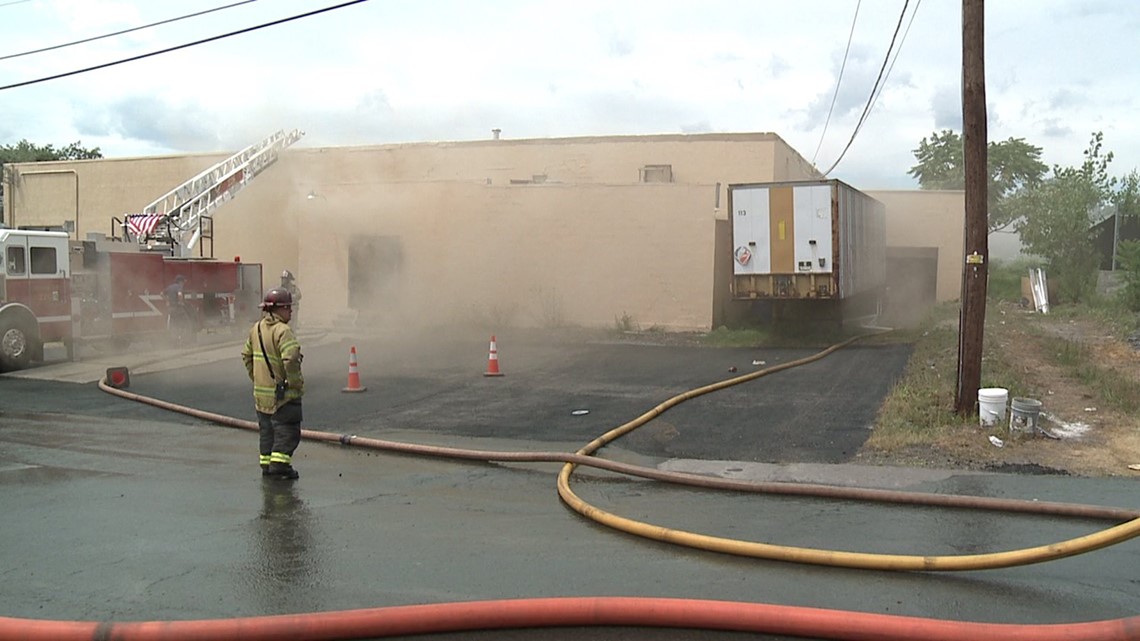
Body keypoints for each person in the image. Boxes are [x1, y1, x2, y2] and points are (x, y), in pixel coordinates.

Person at [241, 287, 305, 480]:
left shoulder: (256, 329)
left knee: (267, 432)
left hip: (261, 395)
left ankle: (266, 464)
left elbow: (246, 355)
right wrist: (294, 383)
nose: (291, 311)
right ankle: (280, 466)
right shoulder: (283, 331)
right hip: (283, 396)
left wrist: (257, 378)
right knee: (287, 431)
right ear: (277, 309)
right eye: (287, 307)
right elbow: (291, 359)